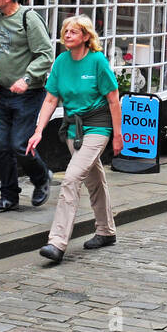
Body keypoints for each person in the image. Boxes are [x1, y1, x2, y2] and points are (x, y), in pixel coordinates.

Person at [32, 15, 120, 265]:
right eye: (66, 31)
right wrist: (39, 130)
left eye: (74, 31)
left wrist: (118, 136)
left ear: (85, 36)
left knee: (71, 179)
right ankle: (106, 231)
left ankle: (57, 242)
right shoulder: (61, 61)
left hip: (98, 127)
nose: (68, 35)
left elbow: (113, 99)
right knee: (95, 179)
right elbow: (50, 99)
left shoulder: (97, 62)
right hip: (73, 130)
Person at [0, 0, 54, 212]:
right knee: (2, 147)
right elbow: (2, 47)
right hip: (4, 93)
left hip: (28, 94)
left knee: (19, 144)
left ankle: (42, 177)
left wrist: (26, 78)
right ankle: (9, 196)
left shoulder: (28, 19)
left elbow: (45, 54)